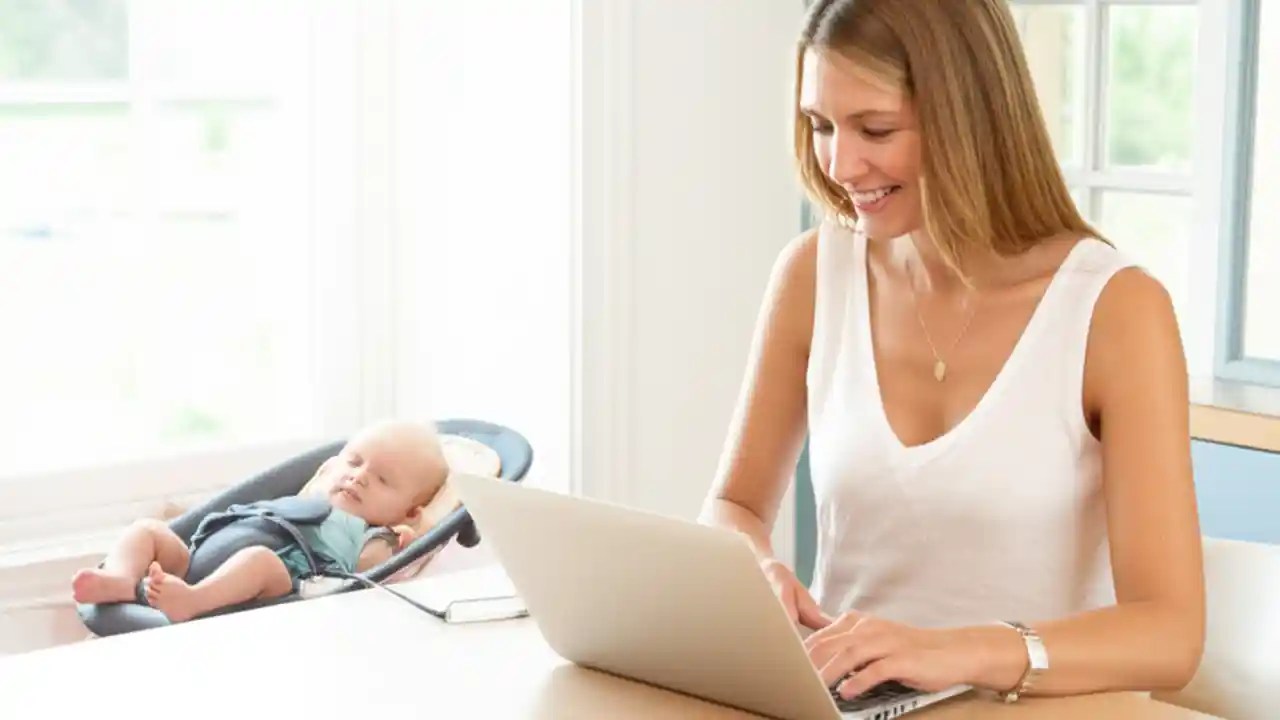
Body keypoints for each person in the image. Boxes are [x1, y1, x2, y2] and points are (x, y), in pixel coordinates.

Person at [699, 0, 1204, 704]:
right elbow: (734, 504)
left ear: (968, 117)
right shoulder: (816, 273)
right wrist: (752, 568)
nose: (842, 164)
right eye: (820, 125)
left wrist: (957, 652)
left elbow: (1169, 635)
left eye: (875, 129)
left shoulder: (1114, 310)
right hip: (843, 707)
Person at [71, 419, 449, 622]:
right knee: (147, 530)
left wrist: (405, 540)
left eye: (382, 479)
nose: (359, 476)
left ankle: (192, 602)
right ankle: (121, 579)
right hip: (195, 558)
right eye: (353, 461)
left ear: (410, 511)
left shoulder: (374, 534)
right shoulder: (306, 495)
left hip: (273, 583)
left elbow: (375, 571)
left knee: (259, 561)